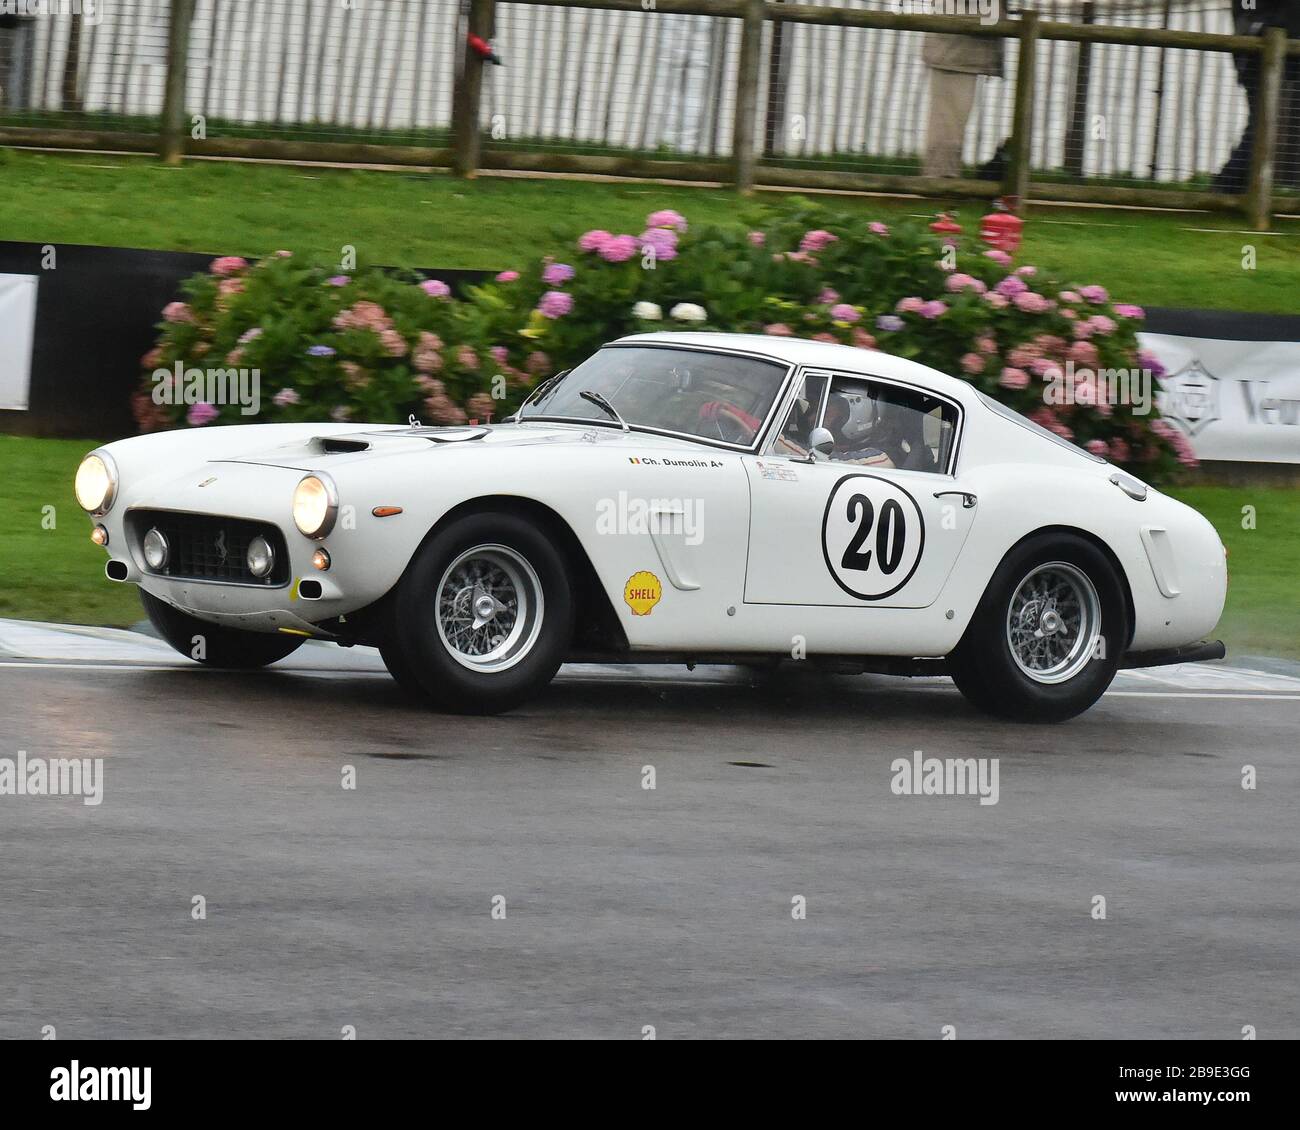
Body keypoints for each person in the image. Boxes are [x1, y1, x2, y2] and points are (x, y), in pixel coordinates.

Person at [1213, 0, 1300, 194]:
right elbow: (1252, 15)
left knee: (1266, 123)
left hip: (1277, 55)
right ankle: (1228, 184)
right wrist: (1267, 26)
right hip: (1261, 57)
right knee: (1262, 123)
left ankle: (1234, 184)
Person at [922, 26, 1004, 179]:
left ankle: (942, 182)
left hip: (960, 53)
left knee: (949, 126)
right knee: (947, 127)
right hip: (954, 52)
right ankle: (940, 183)